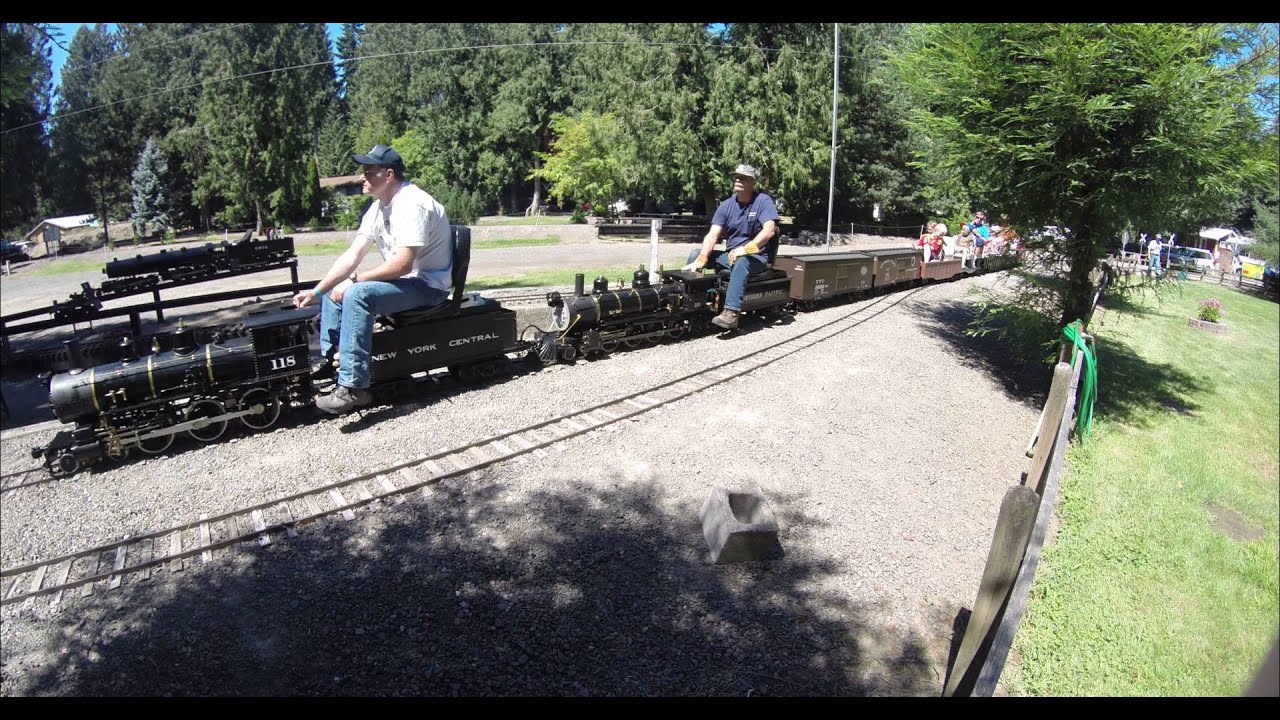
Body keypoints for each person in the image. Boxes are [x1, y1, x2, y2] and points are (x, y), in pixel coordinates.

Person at [292, 144, 453, 414]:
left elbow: (402, 265)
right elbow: (351, 255)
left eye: (368, 172)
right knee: (336, 291)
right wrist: (317, 292)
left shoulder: (412, 204)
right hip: (408, 283)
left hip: (428, 286)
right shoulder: (379, 207)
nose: (361, 178)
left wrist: (354, 281)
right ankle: (333, 361)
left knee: (356, 293)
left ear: (388, 175)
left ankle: (353, 388)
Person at [682, 164, 780, 330]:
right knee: (695, 254)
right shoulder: (726, 205)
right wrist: (702, 259)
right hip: (730, 257)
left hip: (757, 258)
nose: (738, 180)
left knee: (742, 262)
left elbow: (769, 231)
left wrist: (745, 249)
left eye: (743, 178)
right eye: (736, 177)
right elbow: (713, 235)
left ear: (753, 183)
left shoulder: (763, 201)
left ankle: (731, 313)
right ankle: (692, 304)